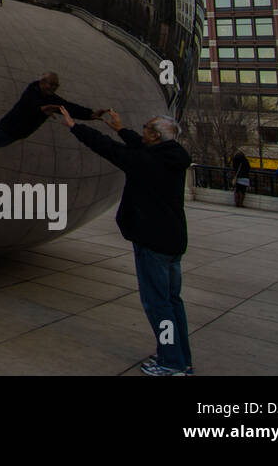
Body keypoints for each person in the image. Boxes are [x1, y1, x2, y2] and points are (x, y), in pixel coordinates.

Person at [54, 106, 193, 376]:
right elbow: (137, 146)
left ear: (154, 136)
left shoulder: (147, 163)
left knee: (158, 304)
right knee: (173, 302)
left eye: (145, 127)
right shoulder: (172, 155)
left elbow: (109, 149)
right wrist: (120, 129)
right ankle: (180, 357)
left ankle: (171, 362)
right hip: (172, 241)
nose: (141, 130)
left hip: (153, 243)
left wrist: (75, 127)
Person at [0, 72, 108, 157]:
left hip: (22, 131)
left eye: (55, 86)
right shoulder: (31, 91)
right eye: (50, 84)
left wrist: (90, 114)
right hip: (9, 125)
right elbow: (30, 104)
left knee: (0, 143)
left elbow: (69, 107)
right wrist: (41, 109)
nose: (52, 88)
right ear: (42, 82)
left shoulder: (52, 98)